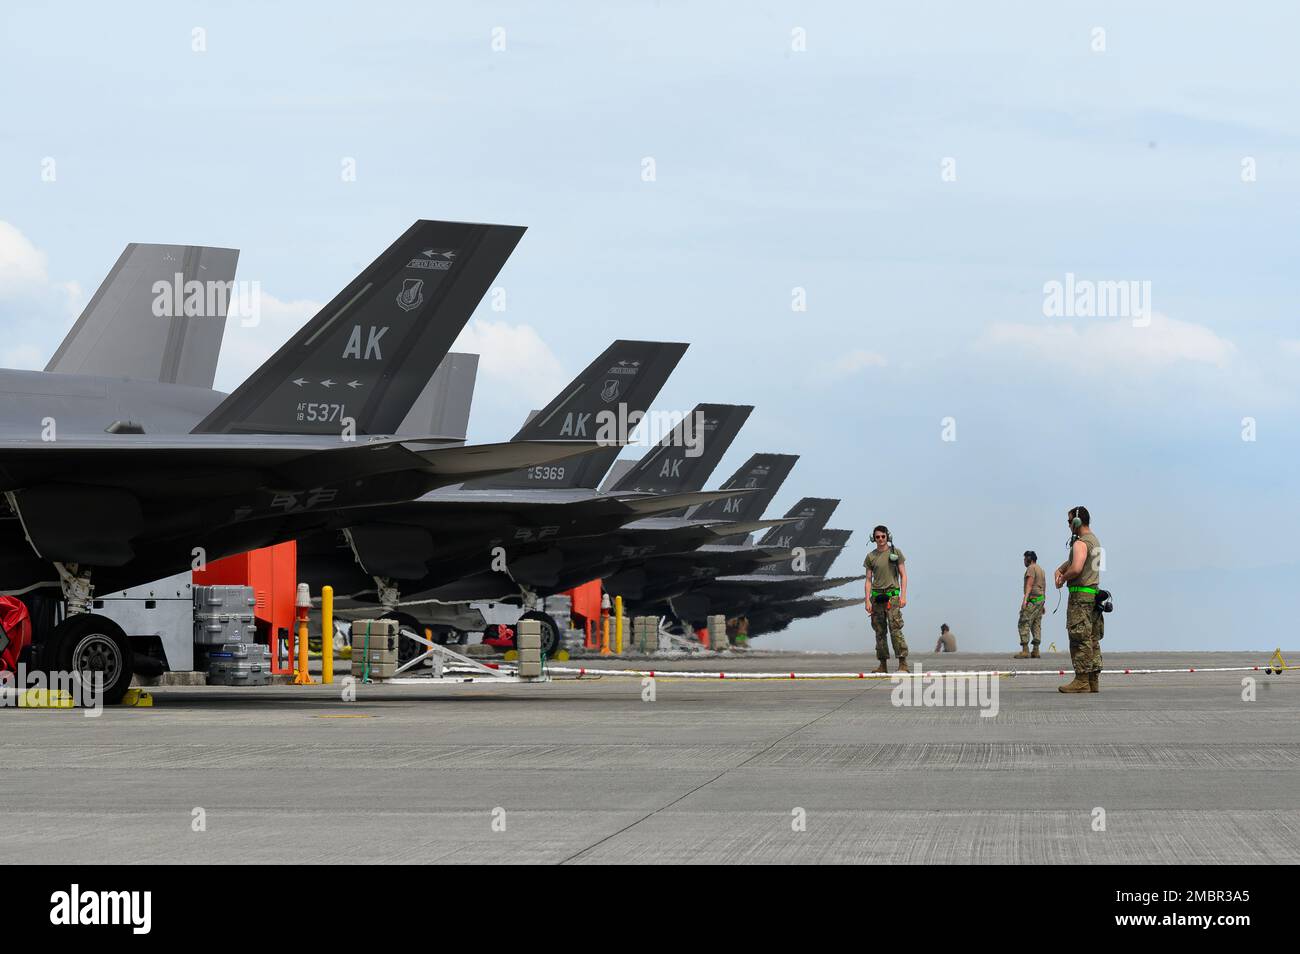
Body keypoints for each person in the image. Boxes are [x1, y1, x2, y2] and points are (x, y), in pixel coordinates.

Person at [1054, 506, 1103, 693]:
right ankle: (1092, 680)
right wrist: (1061, 567)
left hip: (1080, 598)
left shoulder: (1081, 543)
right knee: (1092, 638)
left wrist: (1063, 577)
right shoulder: (1095, 542)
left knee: (1079, 638)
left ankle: (1081, 680)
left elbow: (1076, 568)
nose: (1068, 526)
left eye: (1069, 522)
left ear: (1076, 522)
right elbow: (1082, 561)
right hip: (1092, 594)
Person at [864, 525, 908, 673]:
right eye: (877, 537)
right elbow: (868, 580)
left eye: (883, 536)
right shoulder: (870, 556)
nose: (881, 539)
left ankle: (903, 664)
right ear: (873, 538)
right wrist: (867, 600)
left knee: (895, 630)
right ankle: (882, 665)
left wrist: (903, 596)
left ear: (887, 536)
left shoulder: (896, 553)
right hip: (876, 599)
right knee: (879, 632)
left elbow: (903, 575)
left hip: (892, 597)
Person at [1014, 551, 1045, 658]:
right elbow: (1043, 586)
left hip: (1033, 600)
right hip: (1040, 599)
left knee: (1024, 621)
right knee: (1036, 623)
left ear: (1029, 559)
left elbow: (1029, 585)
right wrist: (1043, 603)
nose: (1024, 561)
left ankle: (1025, 650)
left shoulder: (1031, 568)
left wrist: (1025, 600)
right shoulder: (1040, 569)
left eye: (1025, 559)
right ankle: (1036, 650)